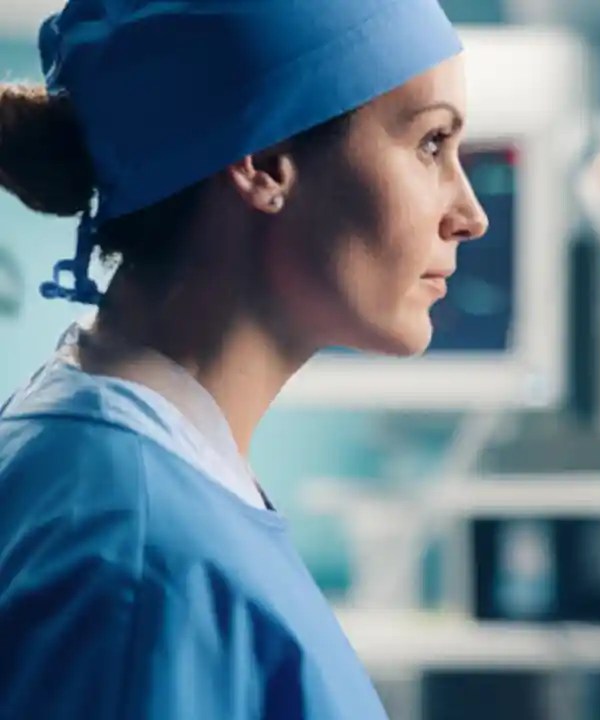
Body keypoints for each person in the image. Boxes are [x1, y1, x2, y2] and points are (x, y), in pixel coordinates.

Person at [0, 0, 488, 717]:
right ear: (263, 164)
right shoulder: (143, 560)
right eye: (429, 143)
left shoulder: (107, 464)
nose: (469, 213)